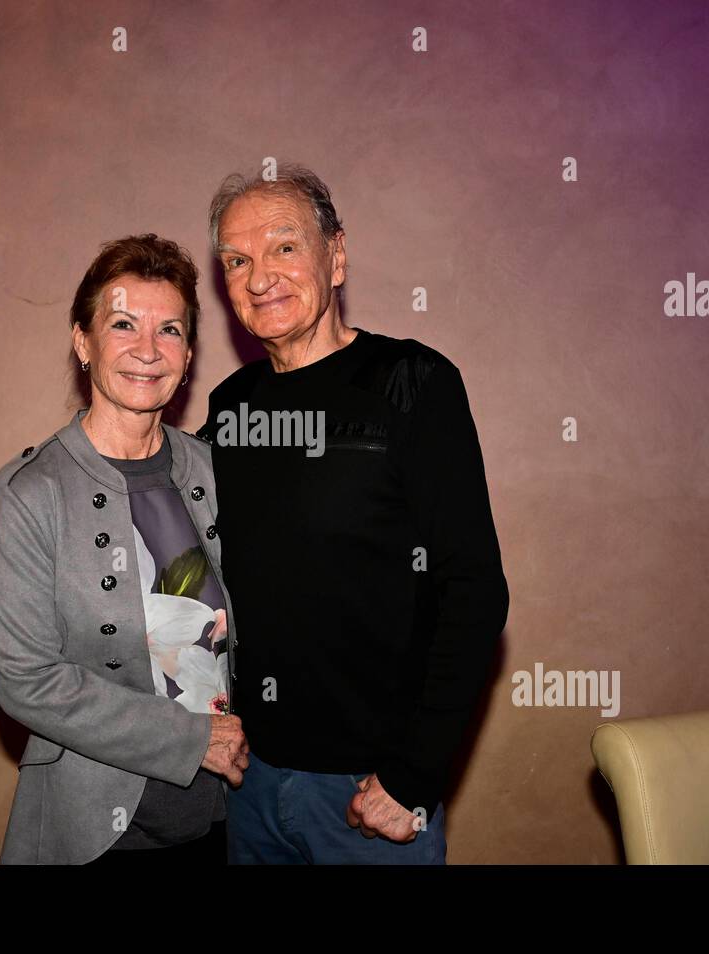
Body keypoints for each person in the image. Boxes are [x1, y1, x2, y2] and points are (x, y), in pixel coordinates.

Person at [199, 164, 509, 864]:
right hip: (249, 784)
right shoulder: (228, 407)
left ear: (336, 256)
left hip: (367, 794)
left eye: (284, 247)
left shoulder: (413, 383)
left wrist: (413, 776)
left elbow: (474, 590)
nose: (260, 277)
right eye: (237, 261)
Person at [0, 233, 248, 865]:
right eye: (123, 324)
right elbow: (25, 678)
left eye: (170, 330)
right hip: (101, 832)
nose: (147, 350)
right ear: (83, 342)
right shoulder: (33, 489)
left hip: (227, 818)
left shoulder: (217, 471)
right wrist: (192, 739)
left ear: (188, 354)